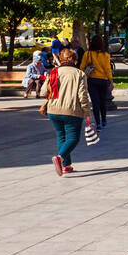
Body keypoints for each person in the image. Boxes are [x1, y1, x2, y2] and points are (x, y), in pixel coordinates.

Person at [40, 46, 93, 176]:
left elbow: (42, 91)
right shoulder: (79, 74)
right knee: (73, 138)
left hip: (53, 110)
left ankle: (66, 166)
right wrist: (87, 111)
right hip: (72, 110)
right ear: (75, 60)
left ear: (62, 59)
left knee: (61, 137)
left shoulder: (54, 72)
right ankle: (60, 157)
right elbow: (83, 95)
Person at [79, 35, 114, 131]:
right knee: (103, 101)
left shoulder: (87, 54)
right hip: (103, 80)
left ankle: (98, 123)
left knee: (95, 103)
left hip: (92, 80)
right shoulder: (106, 55)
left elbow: (82, 67)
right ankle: (104, 120)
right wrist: (111, 81)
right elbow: (108, 69)